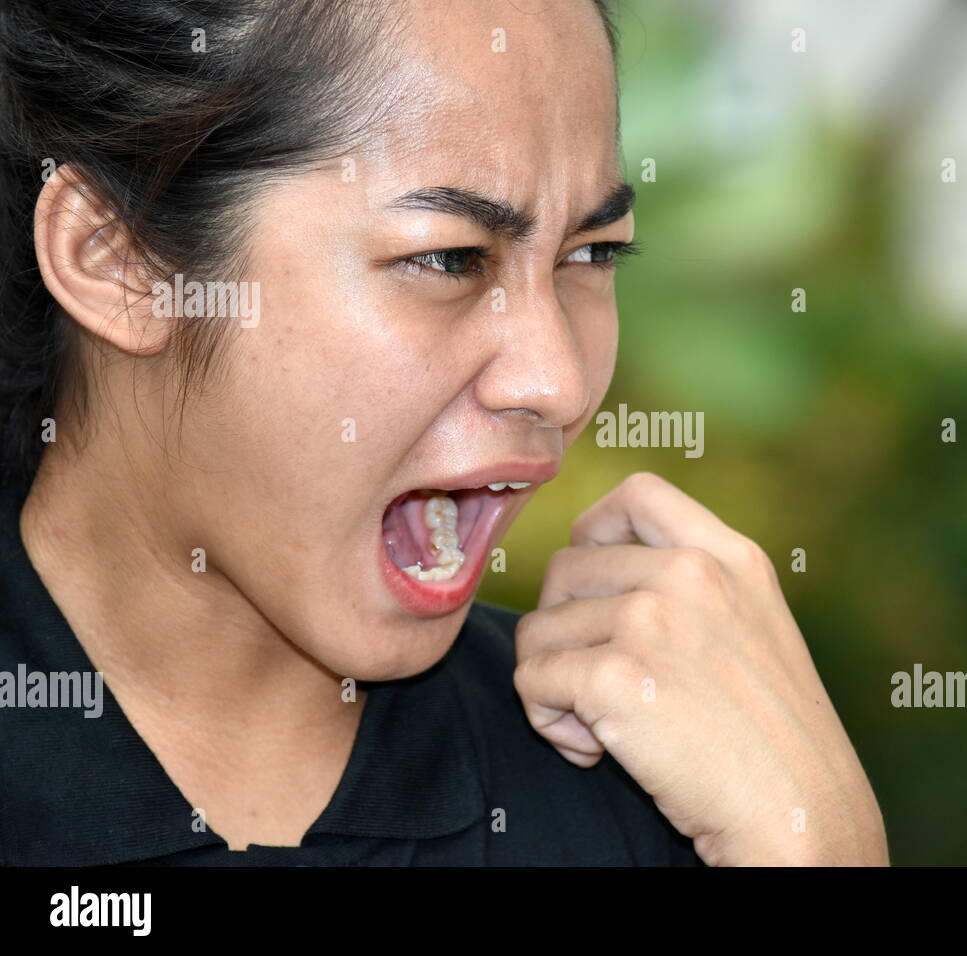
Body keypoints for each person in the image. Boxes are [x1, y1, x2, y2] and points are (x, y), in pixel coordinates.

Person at [0, 0, 888, 866]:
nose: (559, 382)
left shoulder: (656, 788)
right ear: (114, 261)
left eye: (592, 255)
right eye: (448, 258)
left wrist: (816, 846)